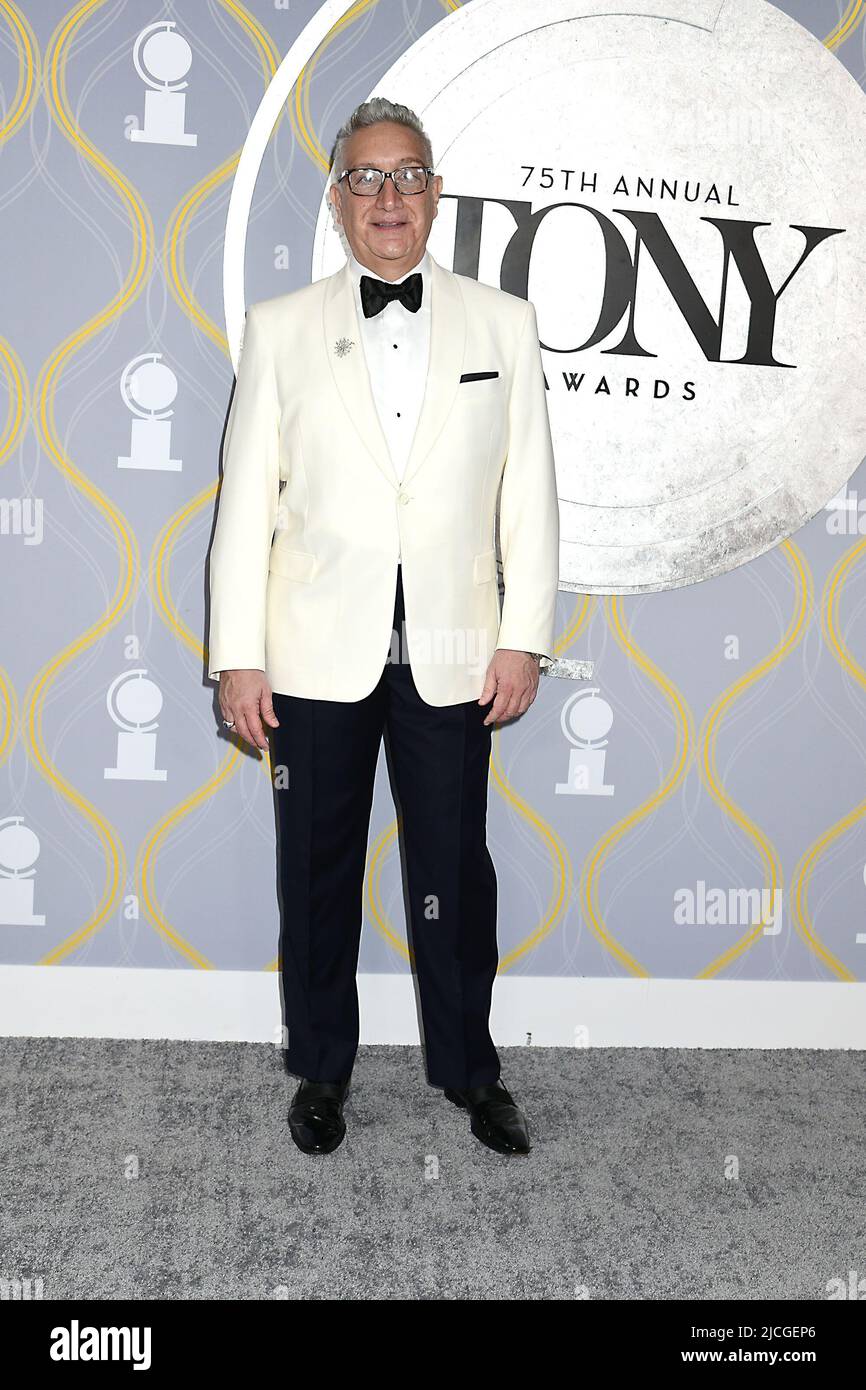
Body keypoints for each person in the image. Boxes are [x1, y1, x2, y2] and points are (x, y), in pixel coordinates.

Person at [208, 98, 560, 1156]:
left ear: (434, 191)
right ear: (337, 197)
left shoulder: (503, 323)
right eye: (365, 177)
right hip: (313, 651)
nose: (388, 197)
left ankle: (468, 1071)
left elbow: (529, 493)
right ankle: (320, 1070)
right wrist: (237, 656)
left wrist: (521, 634)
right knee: (313, 872)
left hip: (455, 653)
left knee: (454, 874)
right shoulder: (280, 327)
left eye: (407, 175)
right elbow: (244, 507)